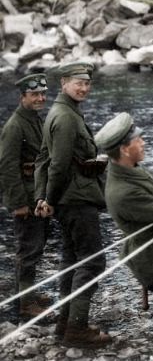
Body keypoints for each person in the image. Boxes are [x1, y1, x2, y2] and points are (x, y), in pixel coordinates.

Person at [34, 62, 111, 348]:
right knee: (92, 262)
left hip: (68, 199)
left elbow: (43, 158)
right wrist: (48, 200)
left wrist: (44, 197)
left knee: (70, 261)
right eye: (78, 83)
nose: (84, 88)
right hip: (76, 200)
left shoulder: (62, 112)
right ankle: (77, 329)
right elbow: (57, 164)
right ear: (64, 82)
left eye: (87, 83)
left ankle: (64, 326)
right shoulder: (65, 117)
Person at [95, 112, 153, 361]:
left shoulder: (130, 169)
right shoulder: (123, 192)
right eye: (138, 140)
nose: (144, 142)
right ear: (123, 149)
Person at [0, 73, 50, 319]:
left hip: (37, 193)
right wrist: (18, 203)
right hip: (26, 198)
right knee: (28, 249)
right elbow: (7, 167)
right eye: (34, 95)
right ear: (23, 97)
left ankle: (26, 292)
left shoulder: (34, 120)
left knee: (36, 246)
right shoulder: (15, 125)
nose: (40, 98)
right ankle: (25, 303)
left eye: (42, 94)